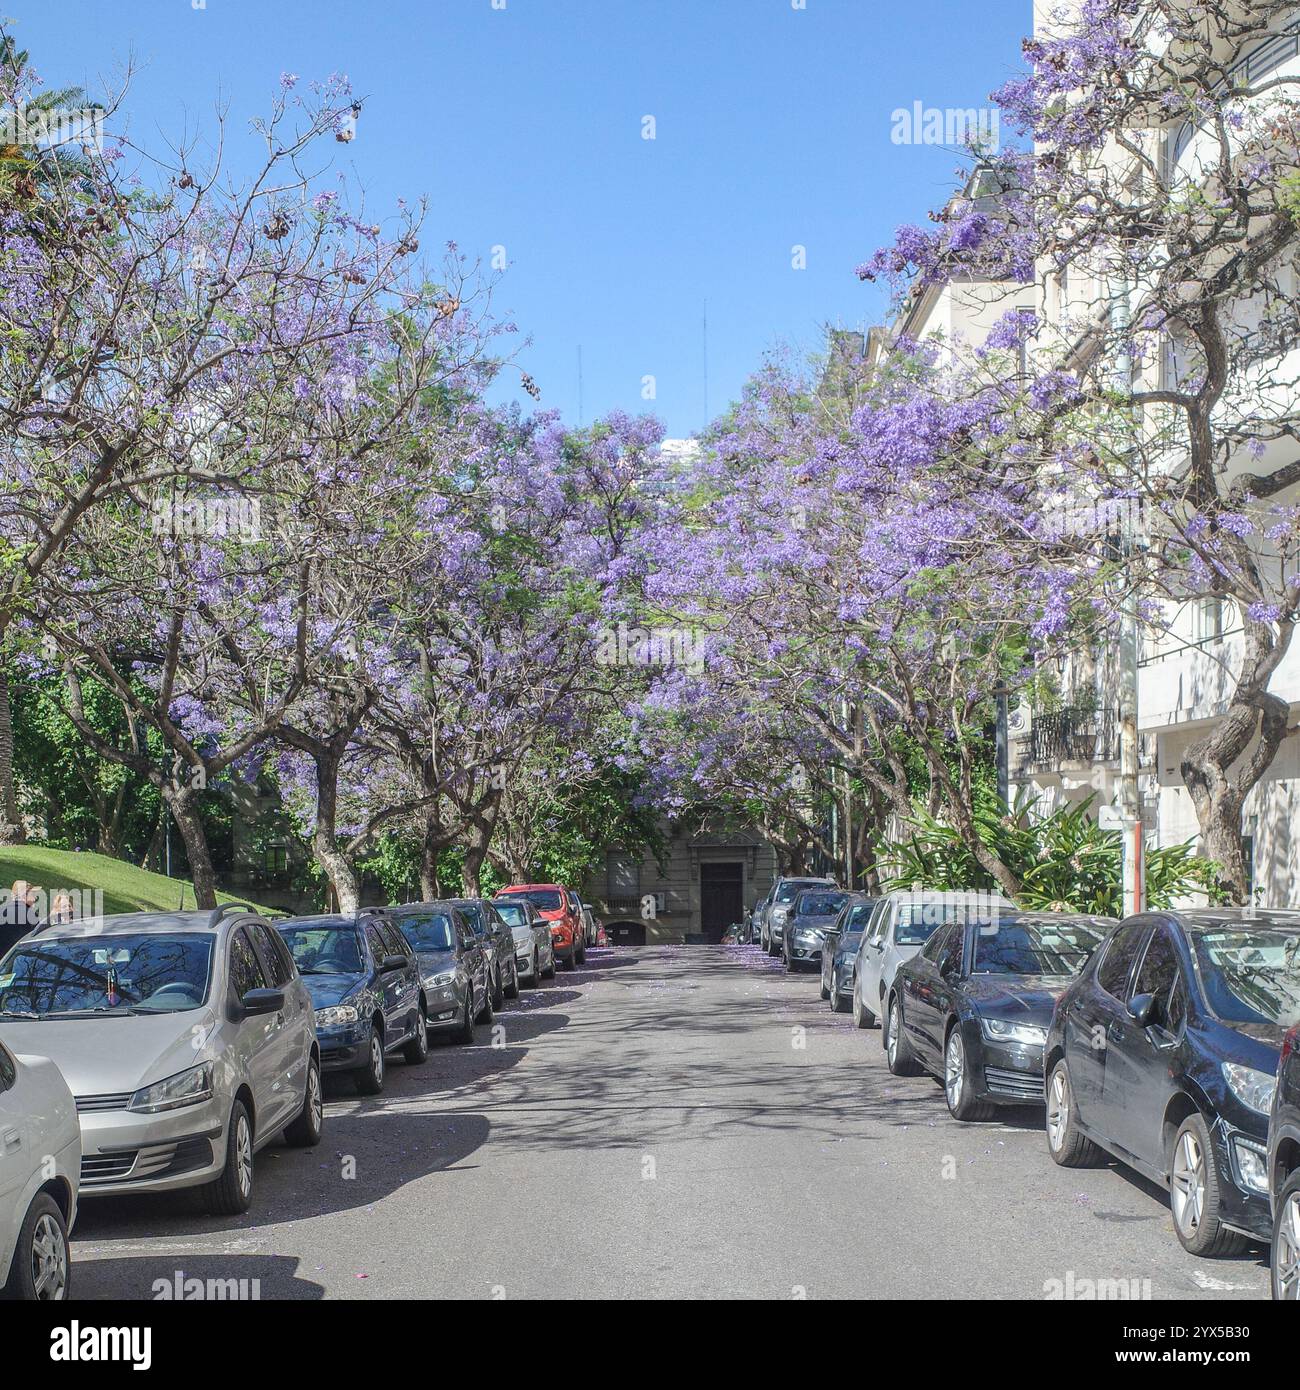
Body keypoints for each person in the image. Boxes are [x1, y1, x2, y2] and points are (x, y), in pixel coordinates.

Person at [0, 880, 41, 958]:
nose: (35, 898)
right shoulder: (29, 914)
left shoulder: (2, 908)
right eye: (33, 894)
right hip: (11, 960)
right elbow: (37, 940)